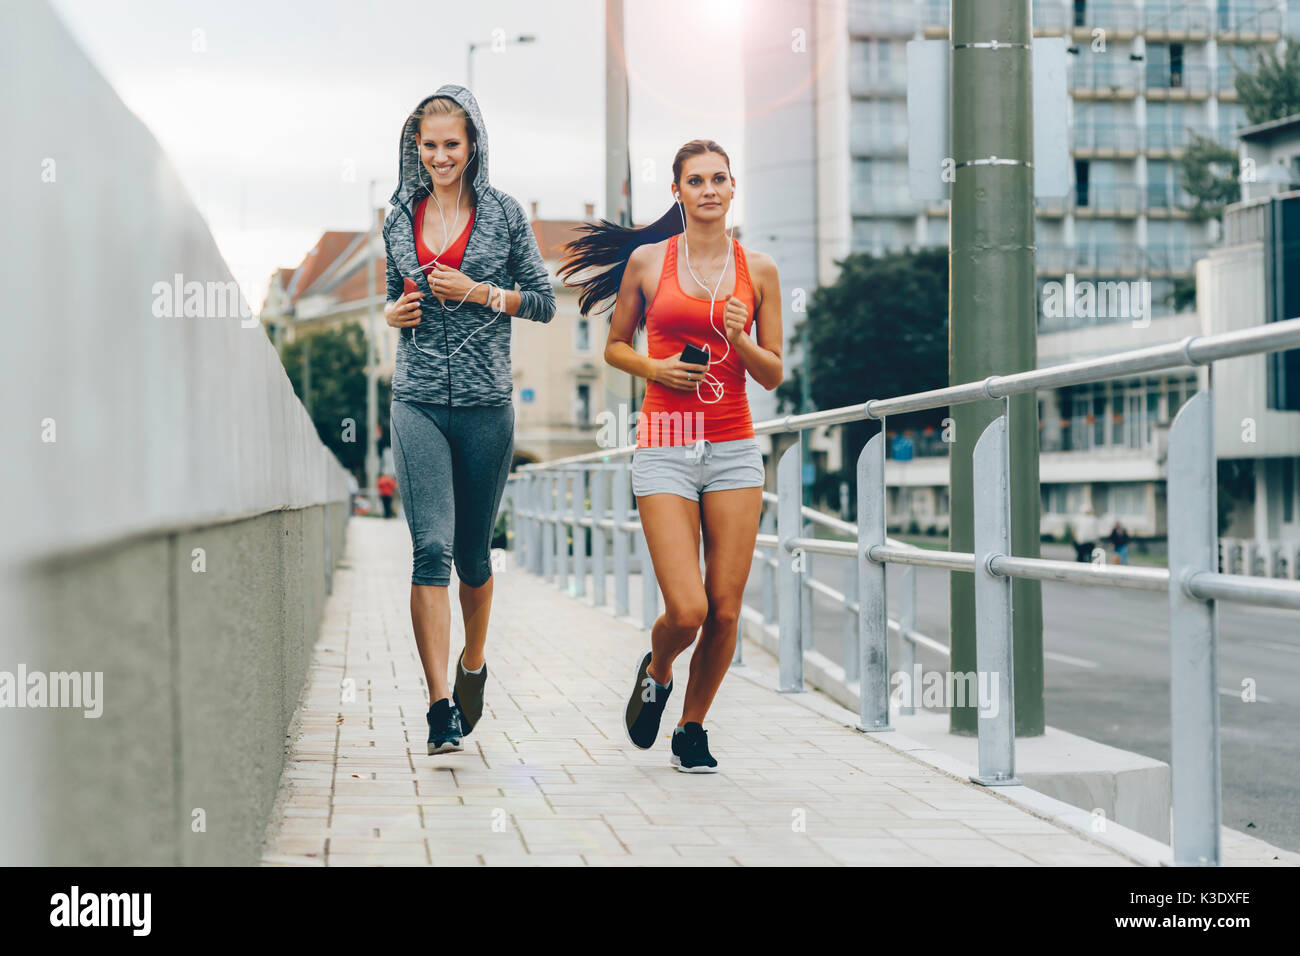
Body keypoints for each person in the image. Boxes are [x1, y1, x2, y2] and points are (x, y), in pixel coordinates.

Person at [561, 140, 784, 772]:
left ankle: (691, 728)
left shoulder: (758, 270)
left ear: (733, 188)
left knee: (726, 609)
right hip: (664, 445)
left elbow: (772, 375)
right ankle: (657, 670)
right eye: (695, 181)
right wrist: (658, 367)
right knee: (687, 609)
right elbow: (614, 347)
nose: (708, 190)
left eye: (719, 179)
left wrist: (739, 336)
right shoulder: (647, 261)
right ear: (678, 192)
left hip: (734, 449)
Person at [383, 86, 556, 755]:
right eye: (429, 145)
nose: (440, 156)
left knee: (473, 558)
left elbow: (542, 302)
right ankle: (438, 708)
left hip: (486, 406)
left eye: (451, 144)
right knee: (430, 549)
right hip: (417, 400)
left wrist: (481, 291)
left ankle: (473, 662)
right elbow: (391, 299)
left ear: (473, 144)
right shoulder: (398, 214)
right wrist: (394, 314)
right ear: (416, 147)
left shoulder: (506, 215)